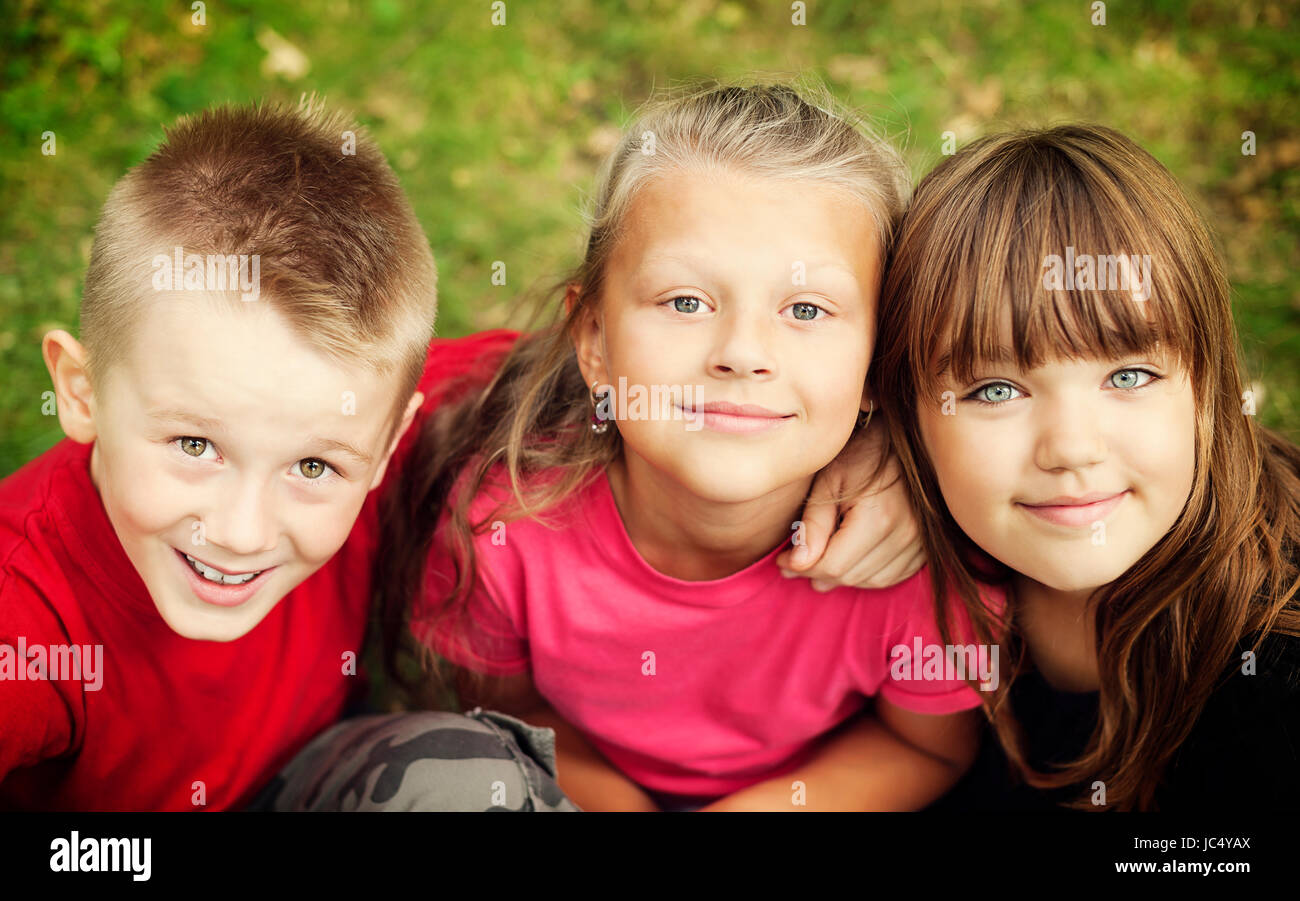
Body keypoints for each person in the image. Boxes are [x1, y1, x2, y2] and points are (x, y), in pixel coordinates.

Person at [369, 83, 1001, 812]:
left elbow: (925, 745)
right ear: (595, 340)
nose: (741, 353)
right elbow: (515, 722)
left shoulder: (915, 571)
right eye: (686, 302)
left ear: (877, 361)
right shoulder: (501, 532)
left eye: (805, 309)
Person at [0, 99, 446, 810]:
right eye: (195, 444)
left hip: (310, 771)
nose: (241, 532)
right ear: (81, 394)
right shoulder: (25, 620)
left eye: (312, 467)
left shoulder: (359, 398)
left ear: (388, 442)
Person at [869, 124, 1300, 810]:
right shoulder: (870, 560)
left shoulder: (1274, 671)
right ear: (905, 417)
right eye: (996, 390)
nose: (1071, 447)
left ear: (1208, 389)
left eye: (1129, 375)